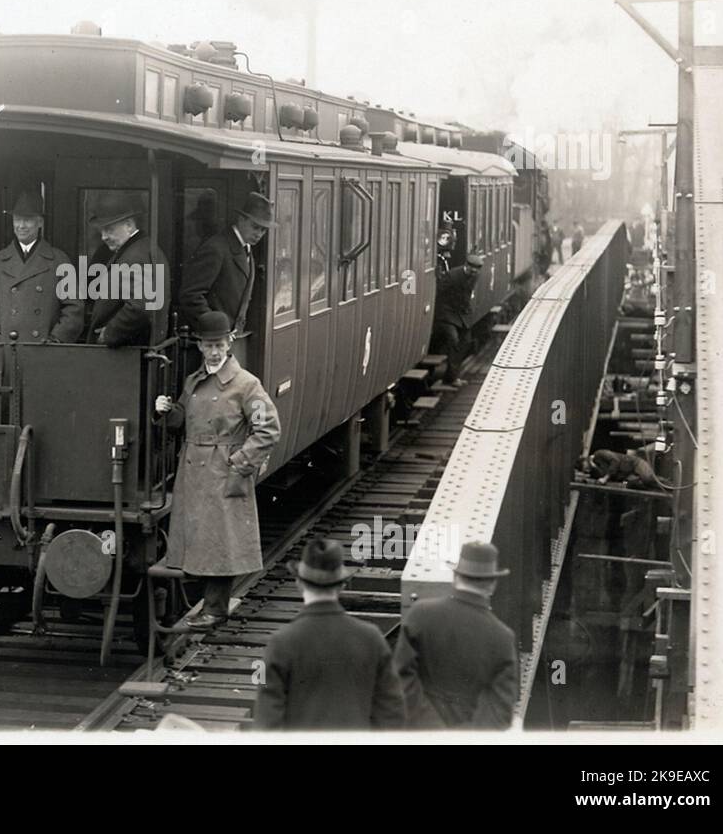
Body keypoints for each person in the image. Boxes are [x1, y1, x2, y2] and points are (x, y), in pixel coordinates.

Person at [154, 311, 281, 629]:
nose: (215, 351)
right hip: (194, 469)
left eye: (220, 345)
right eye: (209, 345)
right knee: (199, 539)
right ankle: (203, 605)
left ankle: (215, 609)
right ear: (199, 345)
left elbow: (268, 429)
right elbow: (183, 419)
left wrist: (239, 462)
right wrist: (167, 411)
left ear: (230, 343)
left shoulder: (246, 385)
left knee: (220, 541)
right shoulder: (193, 381)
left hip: (223, 471)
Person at [252, 538, 406, 730]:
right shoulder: (370, 637)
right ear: (341, 586)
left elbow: (267, 723)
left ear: (299, 584)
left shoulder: (282, 642)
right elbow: (392, 714)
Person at [393, 541, 519, 729]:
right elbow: (500, 710)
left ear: (456, 578)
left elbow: (399, 678)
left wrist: (432, 728)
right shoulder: (503, 637)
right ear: (492, 584)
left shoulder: (420, 614)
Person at [0, 190, 83, 343]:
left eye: (28, 220)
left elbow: (74, 309)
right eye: (17, 220)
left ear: (40, 223)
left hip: (43, 351)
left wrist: (56, 340)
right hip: (6, 348)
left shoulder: (59, 260)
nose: (21, 226)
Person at [179, 191, 273, 334]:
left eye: (263, 230)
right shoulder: (216, 248)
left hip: (231, 338)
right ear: (241, 219)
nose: (259, 234)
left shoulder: (245, 247)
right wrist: (215, 330)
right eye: (255, 227)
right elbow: (190, 295)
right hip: (215, 341)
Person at [85, 191, 170, 347]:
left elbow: (139, 307)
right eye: (102, 231)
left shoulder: (135, 257)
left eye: (109, 229)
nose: (104, 237)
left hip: (125, 355)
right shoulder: (143, 248)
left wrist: (110, 333)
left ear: (129, 225)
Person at [429, 253, 483, 387]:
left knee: (465, 341)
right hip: (447, 314)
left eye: (476, 270)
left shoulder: (474, 277)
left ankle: (451, 375)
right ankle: (451, 378)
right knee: (453, 340)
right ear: (467, 266)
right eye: (472, 269)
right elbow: (439, 293)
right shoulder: (452, 276)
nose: (474, 272)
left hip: (462, 314)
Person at [575, 449, 660, 490]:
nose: (586, 469)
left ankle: (668, 485)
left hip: (635, 464)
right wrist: (594, 469)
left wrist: (606, 477)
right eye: (584, 470)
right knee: (642, 486)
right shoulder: (594, 471)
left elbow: (615, 461)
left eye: (584, 466)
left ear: (585, 460)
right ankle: (667, 488)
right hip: (627, 476)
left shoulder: (599, 454)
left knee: (647, 478)